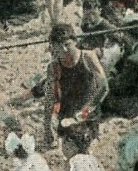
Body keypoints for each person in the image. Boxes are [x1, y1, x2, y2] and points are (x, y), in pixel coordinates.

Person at [43, 22, 108, 154]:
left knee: (84, 145)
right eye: (59, 47)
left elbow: (104, 87)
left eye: (67, 45)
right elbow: (50, 96)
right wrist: (47, 125)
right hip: (67, 113)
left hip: (88, 111)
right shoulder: (53, 66)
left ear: (75, 41)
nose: (64, 50)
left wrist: (86, 111)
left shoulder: (87, 57)